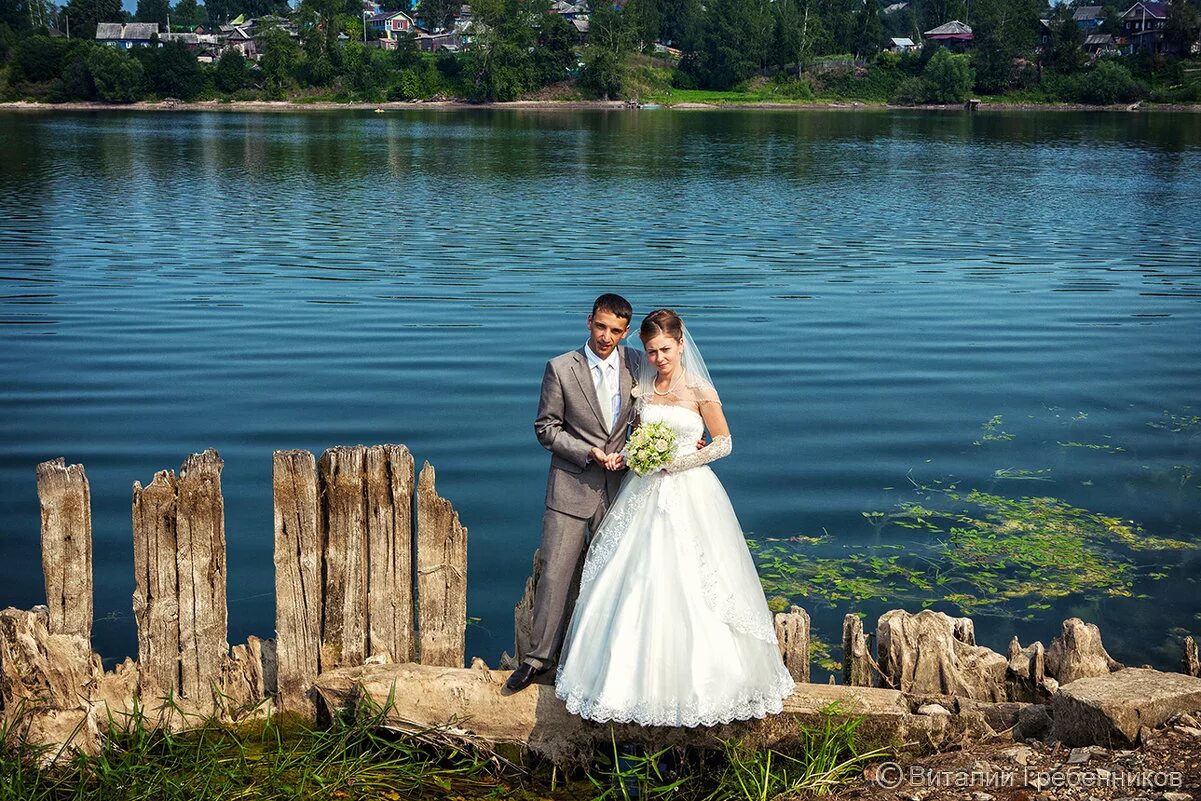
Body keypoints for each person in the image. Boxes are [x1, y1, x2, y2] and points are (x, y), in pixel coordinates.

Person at [553, 309, 796, 726]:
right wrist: (636, 455)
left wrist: (680, 462)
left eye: (665, 349)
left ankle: (709, 686)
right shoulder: (643, 387)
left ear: (681, 344)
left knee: (696, 581)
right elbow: (634, 436)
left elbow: (723, 444)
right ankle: (624, 684)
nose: (658, 358)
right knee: (635, 579)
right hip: (644, 491)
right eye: (650, 352)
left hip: (691, 491)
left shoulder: (700, 388)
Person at [505, 294, 645, 692]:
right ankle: (537, 659)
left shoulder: (636, 364)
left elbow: (651, 413)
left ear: (626, 332)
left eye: (616, 330)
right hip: (570, 487)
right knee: (555, 573)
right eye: (601, 326)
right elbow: (545, 429)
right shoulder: (560, 368)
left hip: (620, 489)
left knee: (616, 575)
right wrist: (589, 453)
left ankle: (608, 662)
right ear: (589, 322)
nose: (606, 336)